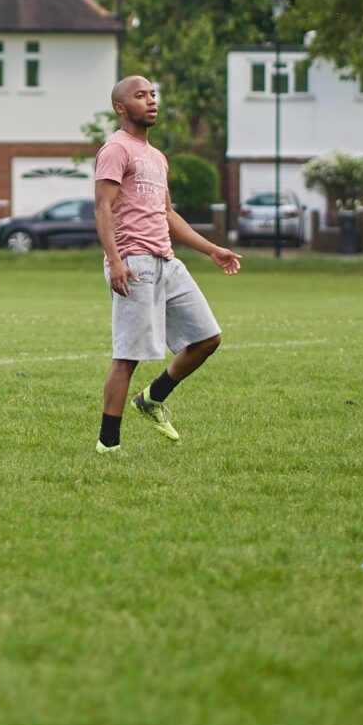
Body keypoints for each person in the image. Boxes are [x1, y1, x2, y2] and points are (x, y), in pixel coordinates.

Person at [92, 74, 241, 455]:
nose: (151, 101)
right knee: (127, 357)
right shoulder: (115, 148)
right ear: (121, 108)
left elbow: (167, 213)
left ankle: (152, 398)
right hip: (134, 263)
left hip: (167, 262)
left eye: (153, 94)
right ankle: (108, 445)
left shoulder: (157, 156)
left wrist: (211, 249)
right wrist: (115, 261)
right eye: (141, 96)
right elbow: (103, 207)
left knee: (208, 338)